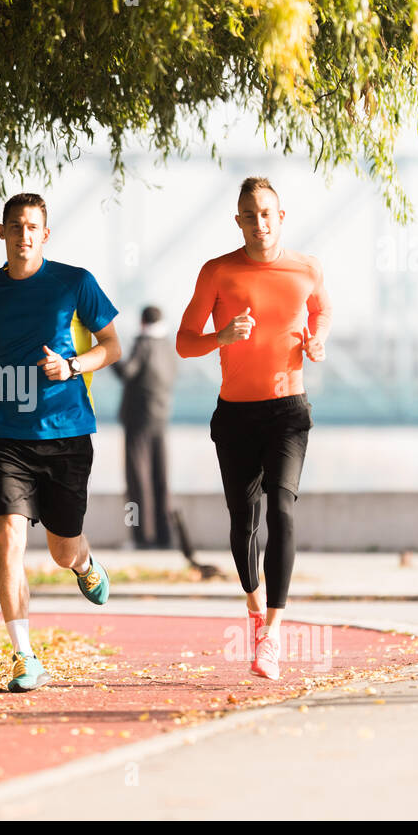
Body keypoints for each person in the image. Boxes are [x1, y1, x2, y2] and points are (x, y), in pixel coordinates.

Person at [0, 192, 122, 693]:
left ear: (44, 235)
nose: (24, 235)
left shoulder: (74, 283)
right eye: (15, 226)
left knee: (61, 549)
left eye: (33, 227)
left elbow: (111, 347)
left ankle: (84, 564)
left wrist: (71, 365)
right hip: (6, 433)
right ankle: (24, 657)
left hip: (66, 431)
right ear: (2, 232)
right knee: (8, 540)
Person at [175, 177, 332, 681]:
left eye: (267, 213)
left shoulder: (306, 268)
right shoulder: (218, 272)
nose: (259, 223)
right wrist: (220, 336)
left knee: (282, 508)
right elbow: (183, 341)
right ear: (238, 221)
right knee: (245, 519)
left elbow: (322, 310)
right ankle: (252, 603)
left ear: (281, 216)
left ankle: (274, 632)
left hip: (288, 410)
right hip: (236, 414)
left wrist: (318, 341)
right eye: (250, 215)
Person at [111, 305, 177, 549]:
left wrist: (112, 356)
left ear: (142, 323)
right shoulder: (168, 346)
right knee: (161, 477)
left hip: (138, 420)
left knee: (138, 479)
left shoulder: (143, 344)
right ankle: (164, 535)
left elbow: (127, 371)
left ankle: (142, 538)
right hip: (161, 418)